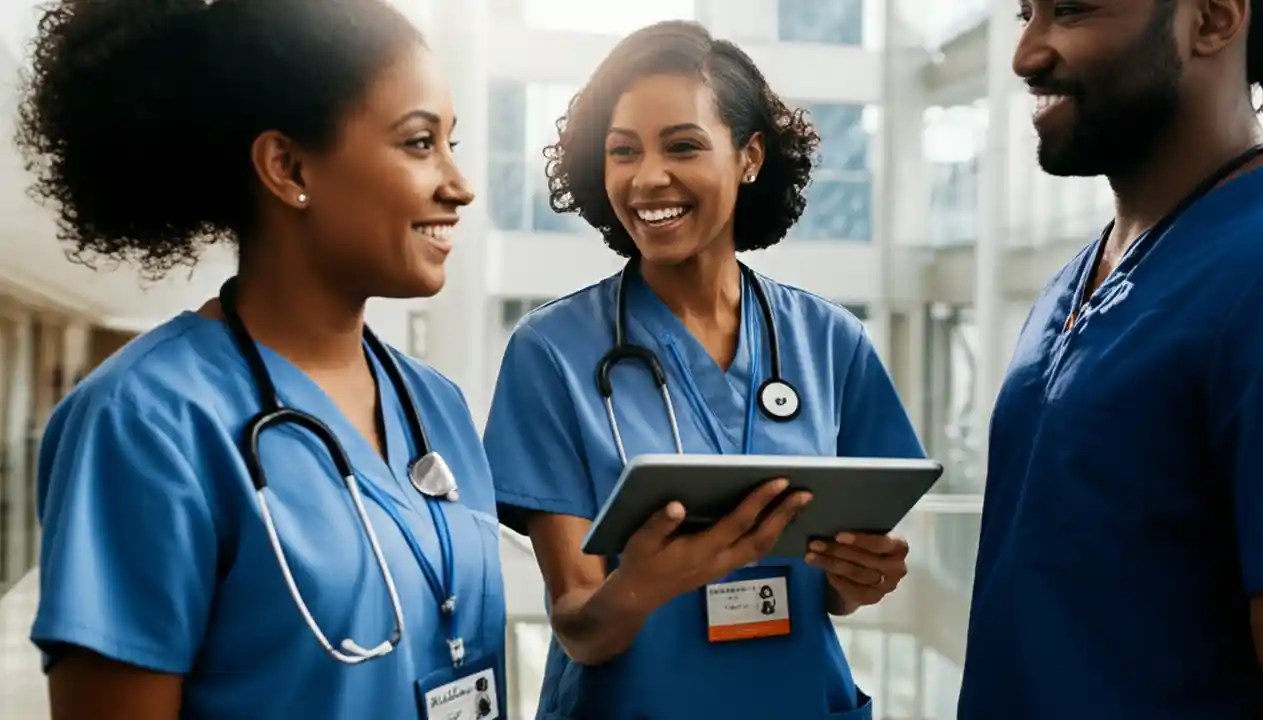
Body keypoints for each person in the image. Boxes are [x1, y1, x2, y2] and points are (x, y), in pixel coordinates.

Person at [18, 1, 506, 718]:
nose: (458, 185)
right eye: (418, 143)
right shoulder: (145, 422)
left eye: (451, 144)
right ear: (288, 165)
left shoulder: (439, 407)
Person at [483, 21, 925, 720]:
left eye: (683, 145)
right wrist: (645, 583)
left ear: (750, 157)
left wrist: (860, 576)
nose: (647, 177)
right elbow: (579, 624)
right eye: (622, 151)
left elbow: (837, 588)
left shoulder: (830, 342)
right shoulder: (552, 352)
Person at [958, 1, 1263, 717]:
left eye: (1071, 11)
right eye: (1025, 12)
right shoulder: (1075, 281)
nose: (1026, 54)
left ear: (1214, 20)